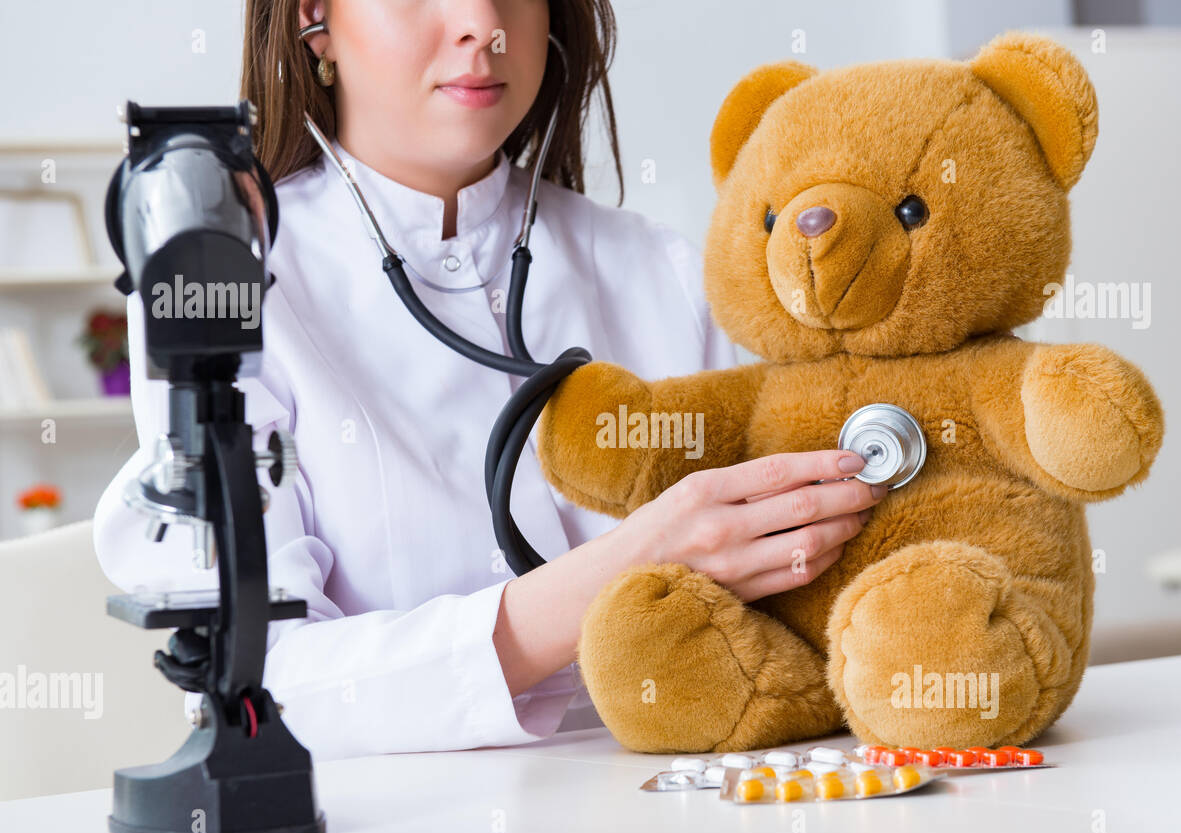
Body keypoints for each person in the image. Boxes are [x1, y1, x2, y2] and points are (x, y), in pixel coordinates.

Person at [93, 0, 886, 760]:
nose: (483, 26)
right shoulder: (229, 285)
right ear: (314, 16)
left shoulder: (668, 269)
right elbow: (261, 687)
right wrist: (622, 571)